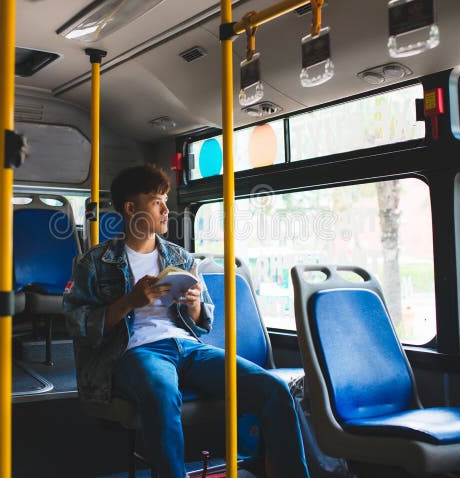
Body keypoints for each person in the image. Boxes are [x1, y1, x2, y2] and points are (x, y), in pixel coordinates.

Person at [64, 164, 309, 478]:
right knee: (161, 392)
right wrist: (129, 302)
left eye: (166, 200)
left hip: (189, 348)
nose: (167, 209)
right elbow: (78, 325)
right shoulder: (94, 263)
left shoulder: (182, 259)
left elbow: (203, 320)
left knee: (273, 388)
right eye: (156, 201)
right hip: (135, 351)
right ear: (130, 208)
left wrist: (193, 305)